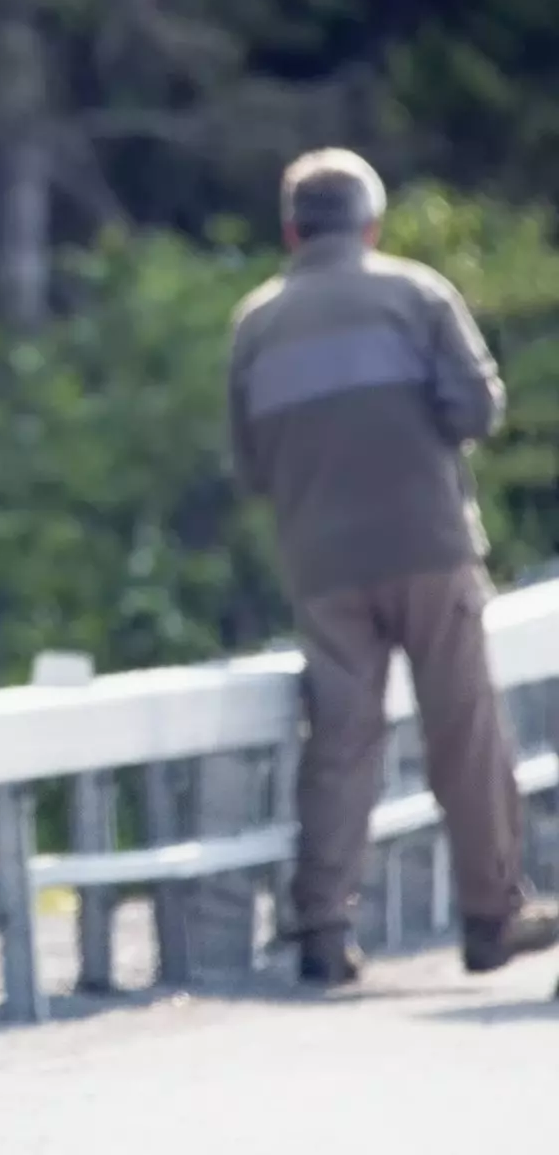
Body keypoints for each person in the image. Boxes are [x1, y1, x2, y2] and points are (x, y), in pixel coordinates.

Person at [225, 147, 559, 986]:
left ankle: (322, 932)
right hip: (429, 548)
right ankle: (491, 915)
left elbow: (252, 464)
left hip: (322, 563)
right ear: (371, 224)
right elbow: (477, 407)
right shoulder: (418, 293)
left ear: (293, 230)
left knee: (339, 741)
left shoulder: (256, 322)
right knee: (464, 728)